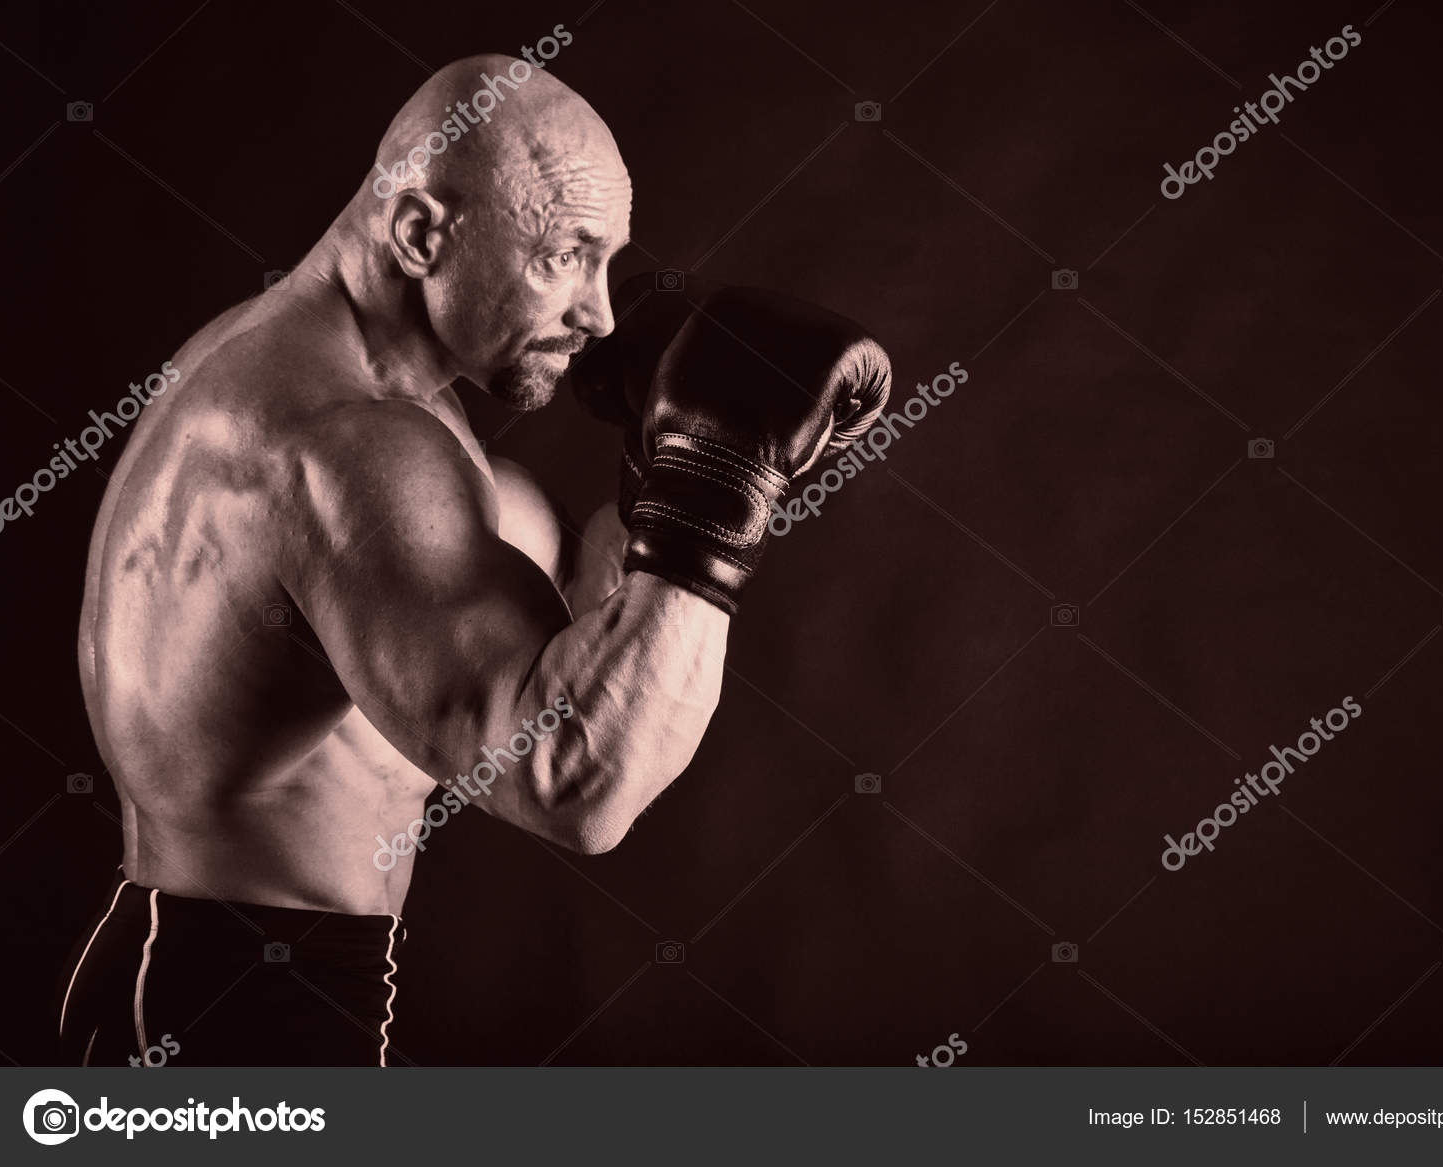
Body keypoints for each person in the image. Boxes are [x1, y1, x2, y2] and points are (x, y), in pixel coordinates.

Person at [59, 55, 889, 1066]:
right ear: (420, 233)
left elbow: (550, 631)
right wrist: (713, 494)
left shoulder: (300, 368)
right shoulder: (347, 443)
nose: (601, 316)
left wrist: (654, 468)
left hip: (208, 975)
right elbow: (574, 783)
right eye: (566, 255)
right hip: (239, 1014)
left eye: (607, 262)